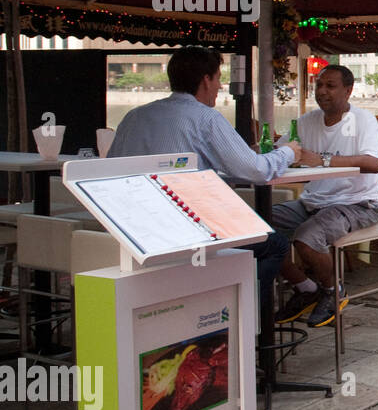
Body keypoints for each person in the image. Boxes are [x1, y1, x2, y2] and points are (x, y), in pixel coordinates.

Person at [108, 47, 299, 308]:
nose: (220, 86)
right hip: (186, 234)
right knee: (276, 244)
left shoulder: (134, 116)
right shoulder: (206, 118)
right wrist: (289, 152)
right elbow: (256, 170)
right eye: (219, 78)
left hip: (135, 231)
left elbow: (112, 168)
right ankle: (243, 312)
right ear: (206, 80)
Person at [272, 65, 378, 329]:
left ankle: (333, 291)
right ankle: (306, 287)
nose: (322, 91)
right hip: (312, 201)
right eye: (318, 85)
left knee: (306, 237)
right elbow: (278, 153)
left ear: (348, 90)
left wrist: (322, 160)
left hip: (357, 204)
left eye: (330, 86)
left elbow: (374, 163)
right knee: (255, 228)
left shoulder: (362, 120)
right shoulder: (305, 121)